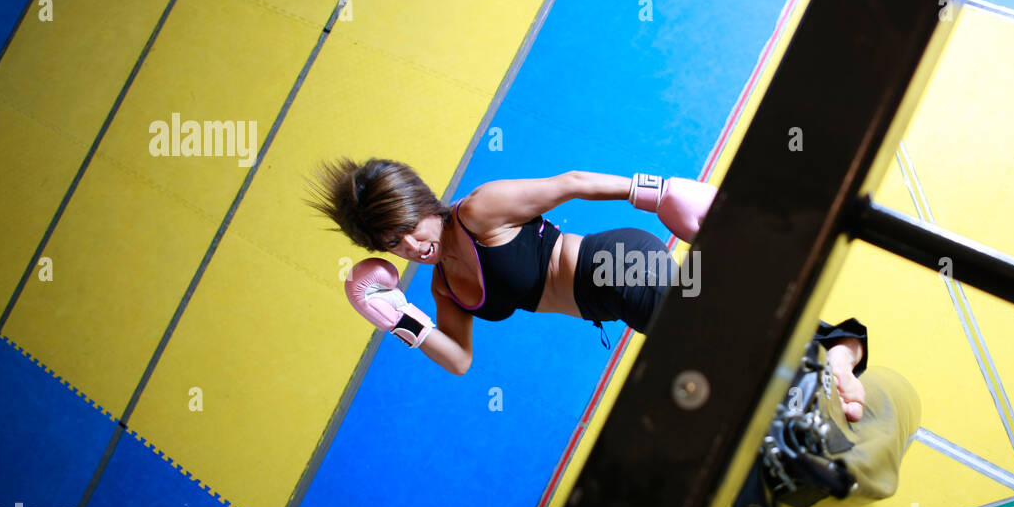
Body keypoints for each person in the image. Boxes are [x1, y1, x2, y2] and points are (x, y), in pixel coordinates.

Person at [305, 157, 871, 421]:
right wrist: (402, 321)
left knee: (725, 345)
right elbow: (458, 361)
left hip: (618, 263)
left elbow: (569, 184)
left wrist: (654, 191)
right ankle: (836, 350)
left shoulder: (478, 210)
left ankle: (829, 367)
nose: (409, 245)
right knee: (735, 328)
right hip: (615, 300)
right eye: (392, 243)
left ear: (421, 201)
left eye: (409, 227)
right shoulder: (443, 286)